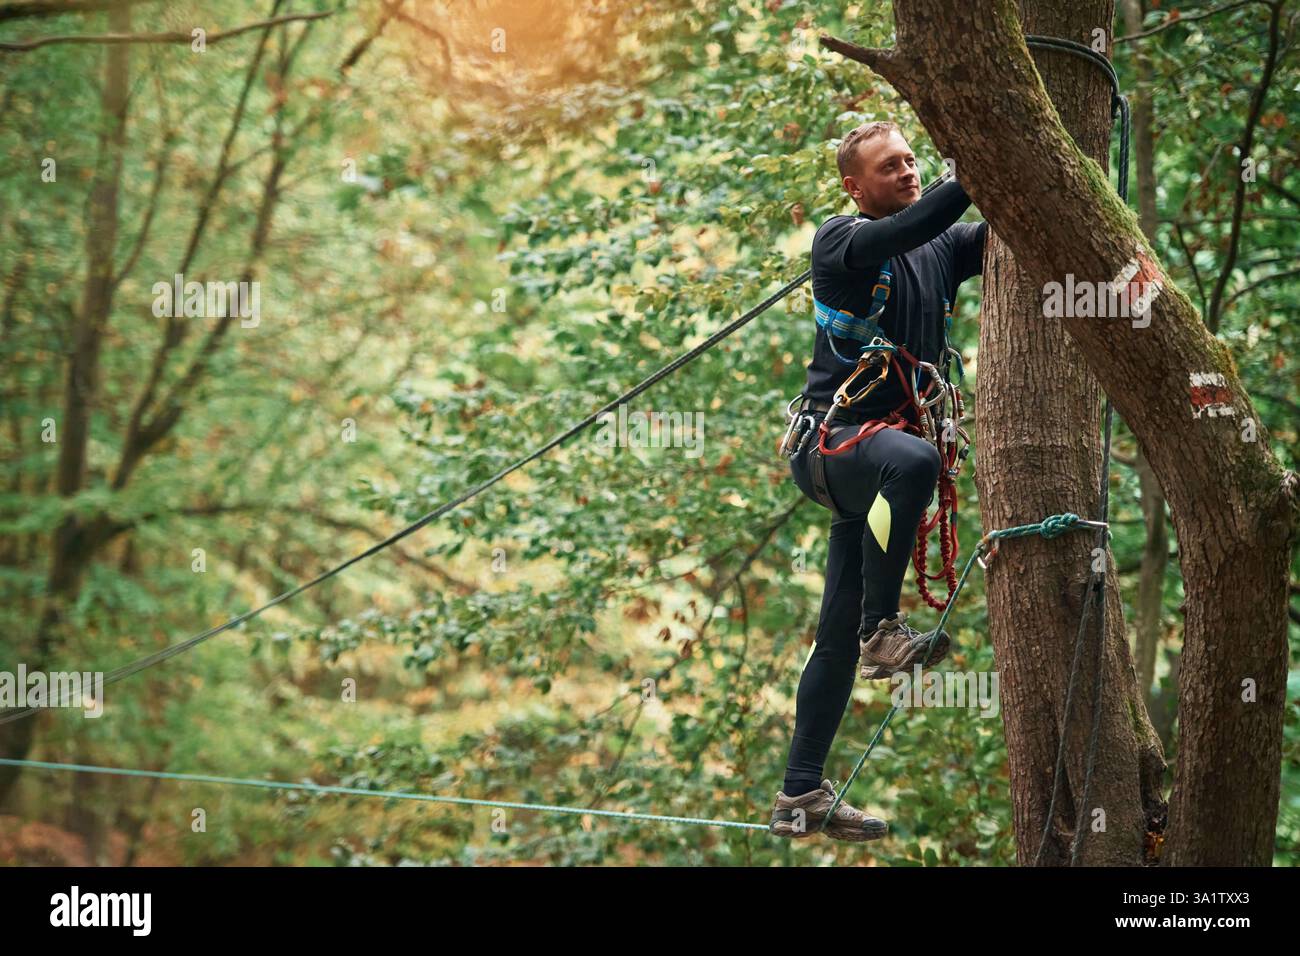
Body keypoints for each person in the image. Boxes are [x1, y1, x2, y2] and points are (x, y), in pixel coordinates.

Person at [769, 121, 988, 842]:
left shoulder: (940, 249)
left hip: (875, 472)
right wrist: (981, 154)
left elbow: (985, 225)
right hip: (834, 448)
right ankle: (881, 631)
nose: (906, 171)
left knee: (829, 636)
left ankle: (800, 795)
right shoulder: (842, 241)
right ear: (853, 186)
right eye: (887, 165)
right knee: (915, 462)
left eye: (910, 160)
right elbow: (932, 212)